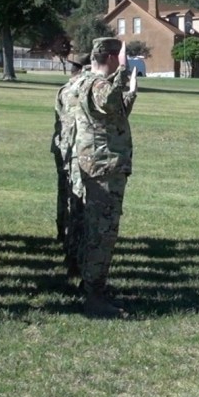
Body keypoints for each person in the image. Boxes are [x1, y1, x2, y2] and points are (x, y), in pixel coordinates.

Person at [70, 38, 138, 317]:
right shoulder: (98, 84)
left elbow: (112, 114)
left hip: (102, 166)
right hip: (103, 169)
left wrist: (129, 94)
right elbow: (108, 100)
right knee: (102, 234)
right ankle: (94, 295)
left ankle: (93, 286)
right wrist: (123, 71)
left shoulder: (88, 83)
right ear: (111, 58)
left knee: (98, 231)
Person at [52, 54, 89, 277]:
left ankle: (62, 231)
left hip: (62, 145)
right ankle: (72, 238)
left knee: (63, 192)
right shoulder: (77, 90)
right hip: (74, 148)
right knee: (75, 194)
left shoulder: (63, 90)